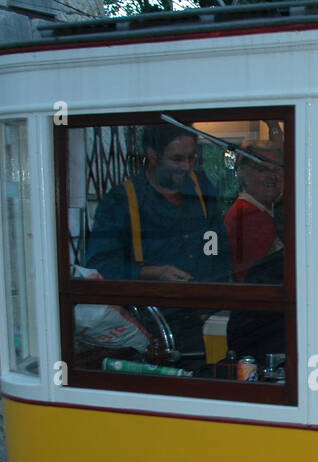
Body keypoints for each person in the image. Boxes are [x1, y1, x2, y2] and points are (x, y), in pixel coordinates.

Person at [84, 123, 231, 355]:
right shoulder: (121, 201)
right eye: (177, 159)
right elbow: (100, 267)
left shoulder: (201, 190)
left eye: (192, 158)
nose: (186, 166)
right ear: (153, 156)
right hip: (146, 332)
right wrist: (151, 273)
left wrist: (216, 292)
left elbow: (215, 244)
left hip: (199, 322)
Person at [224, 142, 284, 282]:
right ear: (241, 173)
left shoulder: (268, 211)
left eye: (277, 169)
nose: (272, 176)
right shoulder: (247, 216)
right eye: (262, 169)